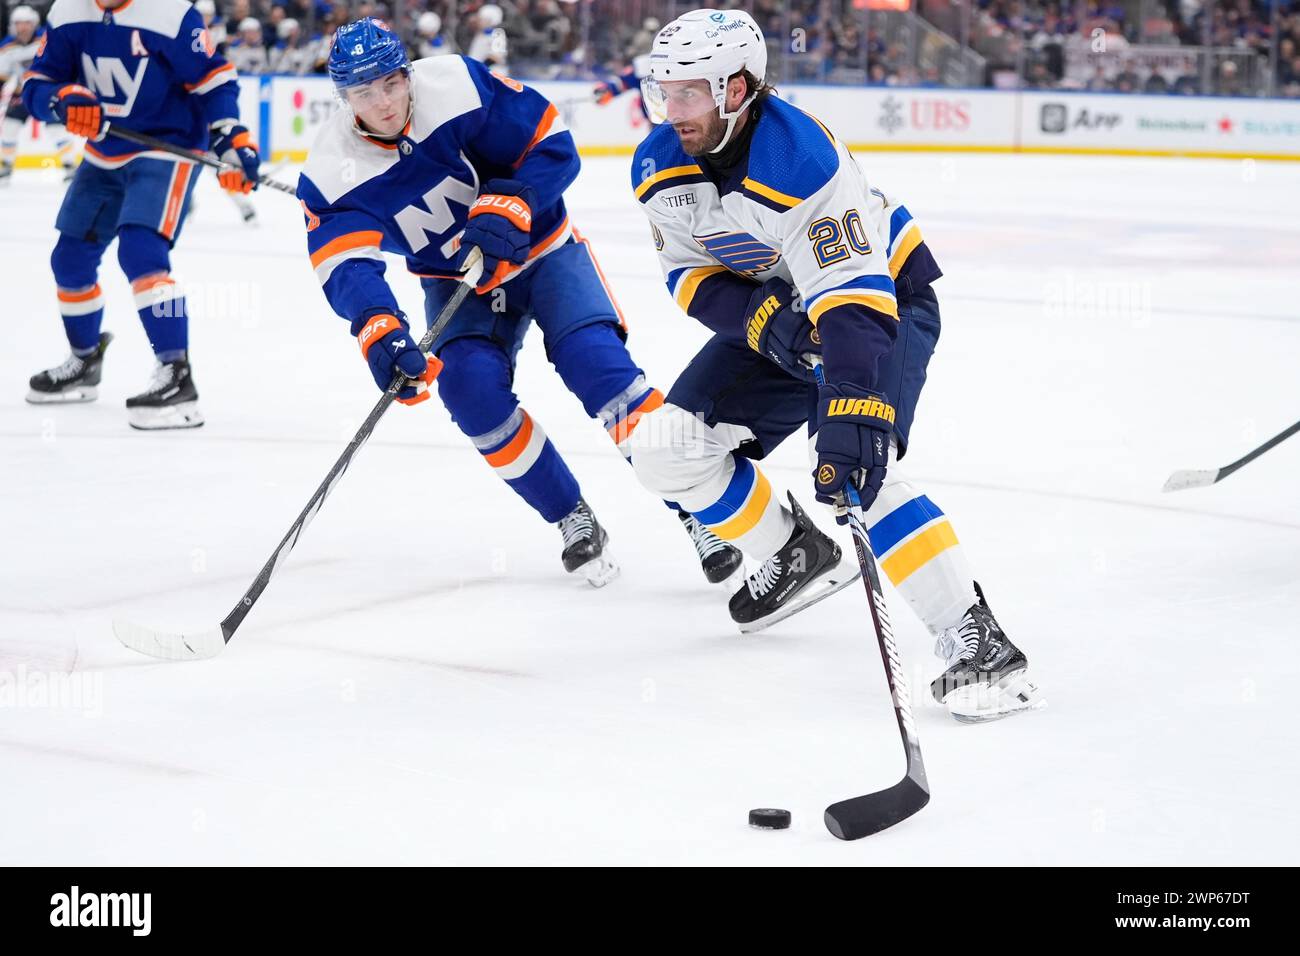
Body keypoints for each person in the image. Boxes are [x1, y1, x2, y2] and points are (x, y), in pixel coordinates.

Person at [628, 9, 1042, 720]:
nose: (672, 110)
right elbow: (690, 278)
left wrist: (851, 405)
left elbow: (852, 299)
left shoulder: (802, 158)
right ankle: (796, 552)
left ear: (737, 89)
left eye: (688, 93)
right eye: (664, 91)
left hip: (881, 304)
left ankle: (978, 640)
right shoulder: (658, 164)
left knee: (859, 459)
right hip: (783, 315)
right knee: (663, 450)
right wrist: (765, 323)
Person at [296, 19, 742, 586]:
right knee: (469, 392)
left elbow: (552, 144)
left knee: (601, 372)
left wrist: (516, 200)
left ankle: (695, 508)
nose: (382, 103)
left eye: (390, 83)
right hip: (459, 283)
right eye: (363, 92)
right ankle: (571, 516)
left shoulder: (457, 85)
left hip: (547, 250)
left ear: (407, 73)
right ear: (341, 97)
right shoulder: (332, 173)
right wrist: (379, 329)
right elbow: (345, 266)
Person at [21, 0, 260, 428]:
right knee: (69, 259)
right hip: (104, 149)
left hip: (167, 146)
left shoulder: (169, 12)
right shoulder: (67, 11)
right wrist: (61, 98)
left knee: (141, 252)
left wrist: (229, 134)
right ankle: (84, 360)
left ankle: (176, 373)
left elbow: (213, 78)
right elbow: (38, 83)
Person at [0, 6, 77, 183]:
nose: (23, 28)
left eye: (27, 23)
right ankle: (6, 165)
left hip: (45, 92)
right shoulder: (6, 47)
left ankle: (69, 165)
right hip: (22, 94)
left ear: (35, 24)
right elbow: (3, 76)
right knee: (10, 127)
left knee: (56, 129)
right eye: (19, 24)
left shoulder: (47, 39)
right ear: (13, 25)